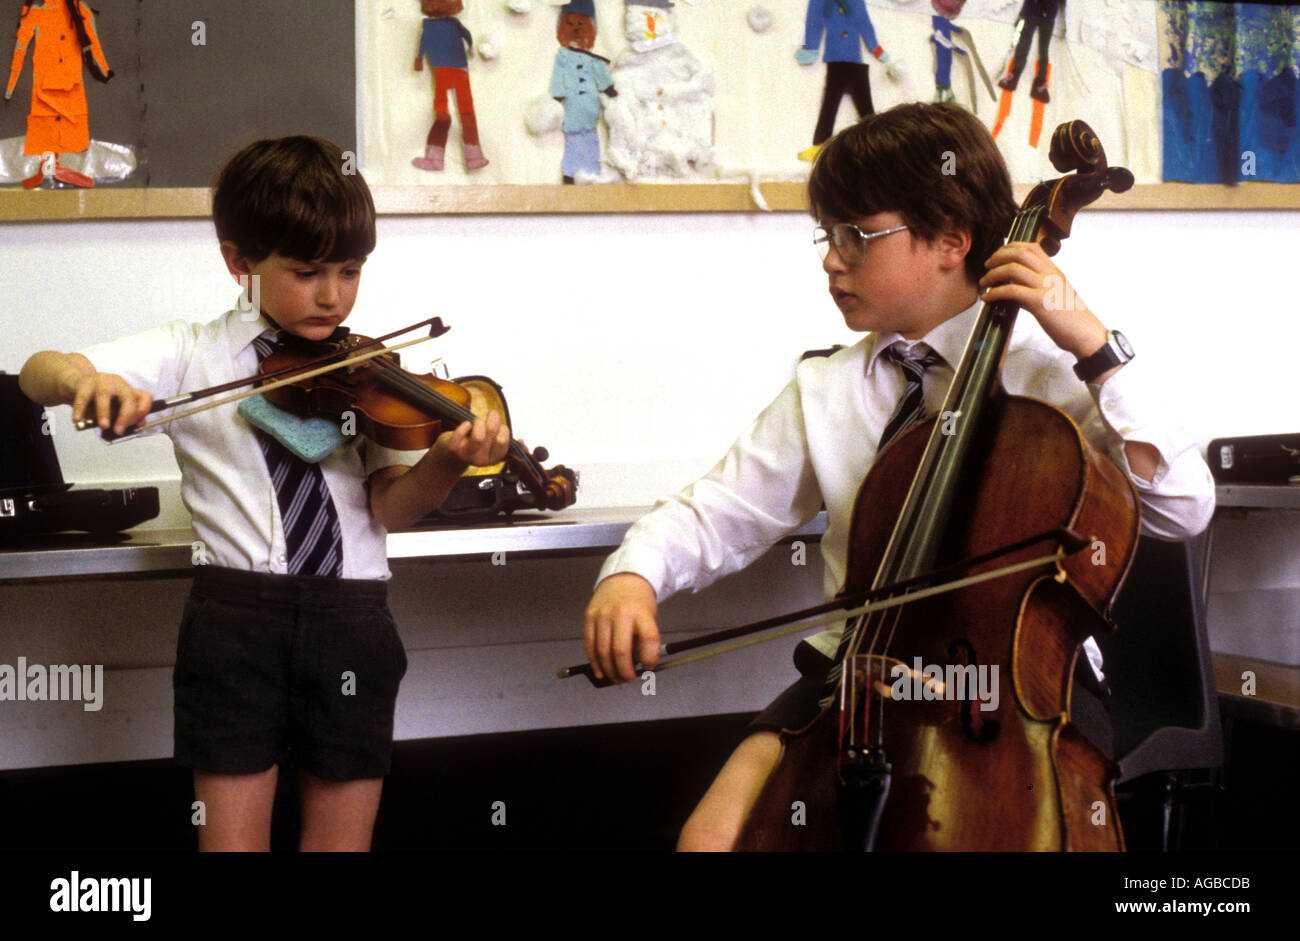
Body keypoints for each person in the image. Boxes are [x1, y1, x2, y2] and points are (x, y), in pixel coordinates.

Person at [582, 102, 1215, 851]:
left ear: (951, 239)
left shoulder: (1054, 378)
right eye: (829, 235)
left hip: (1016, 687)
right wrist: (632, 576)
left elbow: (1184, 507)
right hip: (855, 680)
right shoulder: (827, 388)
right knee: (711, 839)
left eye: (858, 234)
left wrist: (1095, 345)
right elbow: (716, 511)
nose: (830, 257)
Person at [19, 136, 510, 851]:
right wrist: (80, 382)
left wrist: (444, 462)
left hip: (353, 620)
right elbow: (39, 369)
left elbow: (387, 507)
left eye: (350, 270)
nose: (333, 295)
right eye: (306, 271)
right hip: (236, 625)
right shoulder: (191, 354)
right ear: (238, 262)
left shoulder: (366, 367)